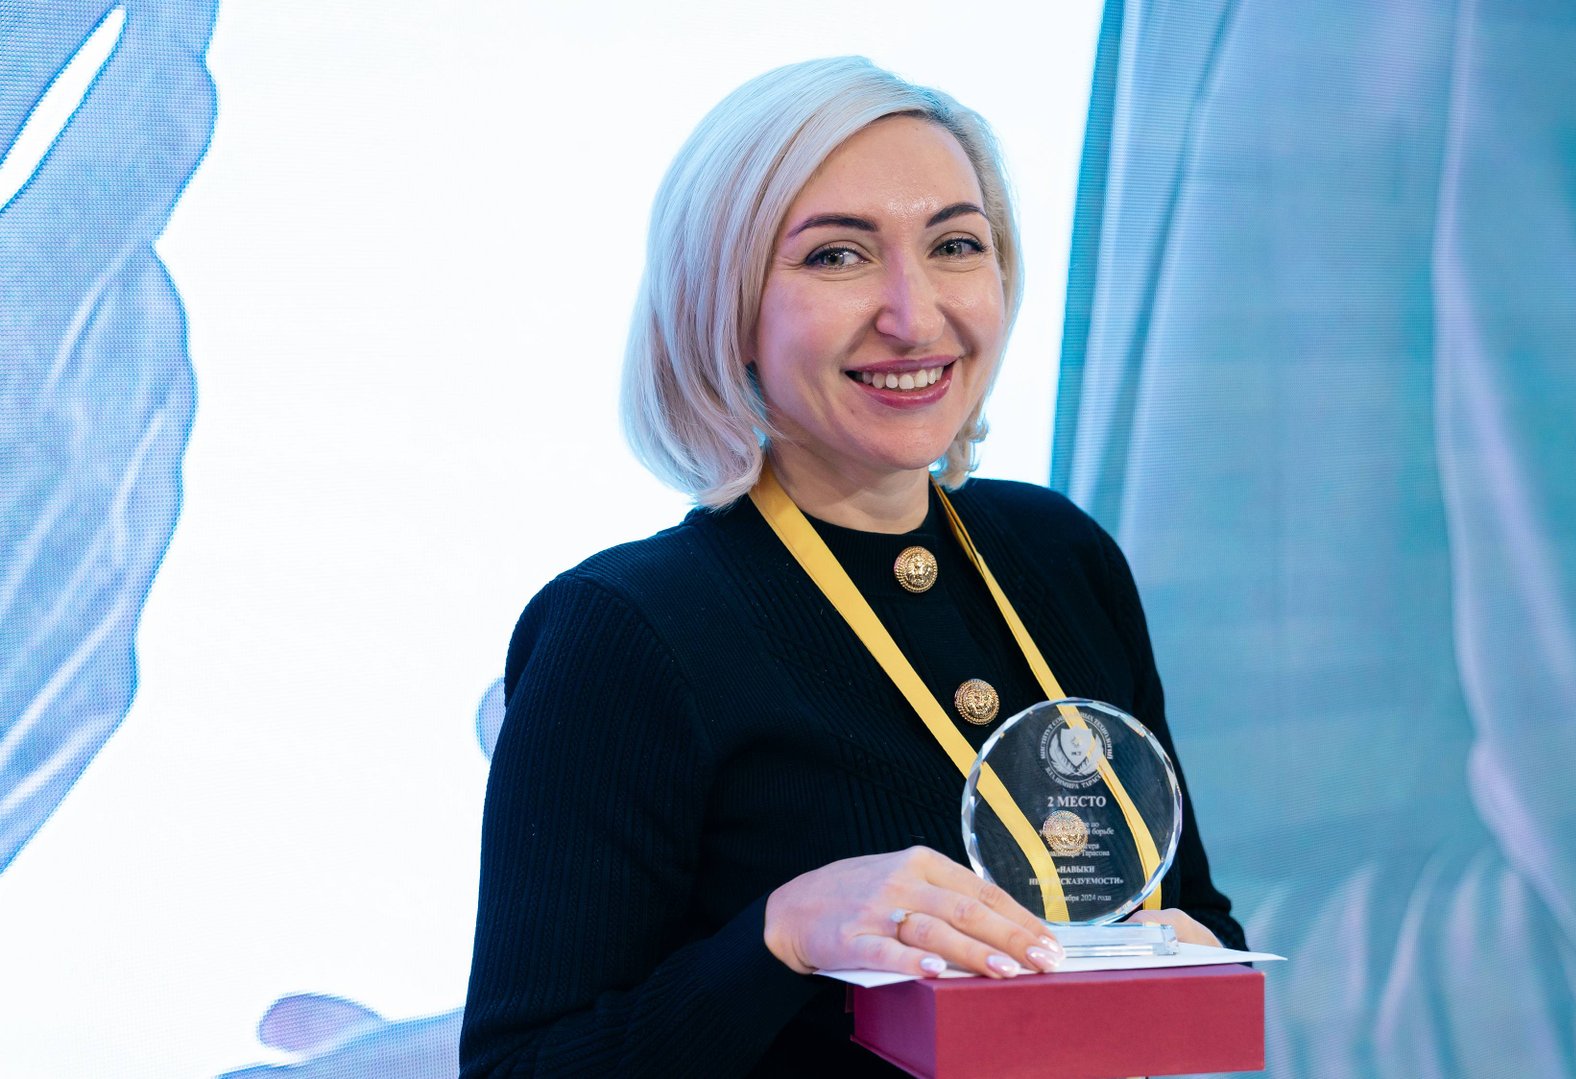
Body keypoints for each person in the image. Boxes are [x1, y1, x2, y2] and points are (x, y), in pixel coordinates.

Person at [459, 56, 1244, 1077]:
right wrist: (777, 937)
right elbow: (520, 1065)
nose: (915, 316)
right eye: (838, 256)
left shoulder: (1062, 554)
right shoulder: (627, 625)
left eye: (955, 245)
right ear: (728, 304)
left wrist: (1190, 956)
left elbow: (1189, 905)